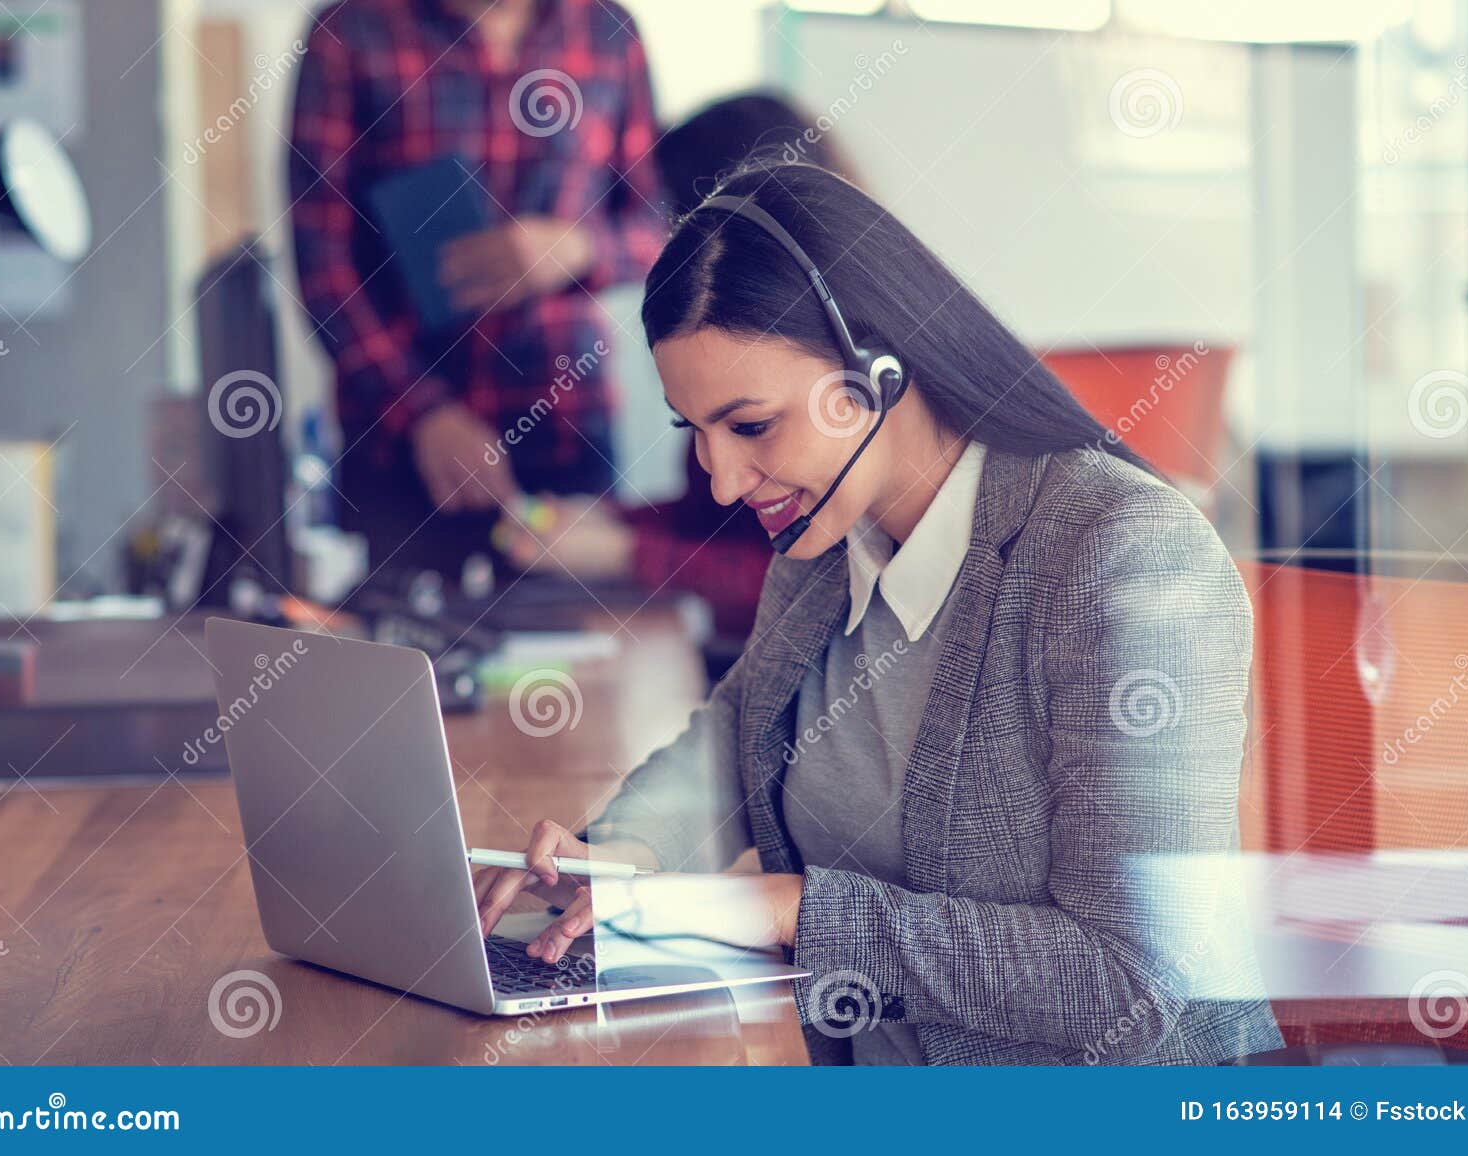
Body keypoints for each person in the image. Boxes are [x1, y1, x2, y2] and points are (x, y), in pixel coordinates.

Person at [472, 160, 1284, 1066]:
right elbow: (741, 729)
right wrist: (617, 855)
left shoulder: (1118, 555)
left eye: (751, 427)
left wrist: (786, 912)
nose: (723, 480)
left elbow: (1137, 980)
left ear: (881, 375)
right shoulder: (829, 534)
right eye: (693, 431)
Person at [288, 0, 666, 576]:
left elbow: (659, 224)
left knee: (579, 660)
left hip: (567, 436)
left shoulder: (610, 32)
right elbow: (322, 261)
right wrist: (422, 412)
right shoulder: (348, 31)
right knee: (398, 653)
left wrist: (578, 249)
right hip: (401, 452)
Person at [495, 91, 853, 639]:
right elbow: (717, 521)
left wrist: (627, 553)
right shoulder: (736, 354)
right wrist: (607, 522)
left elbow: (817, 582)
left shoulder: (837, 369)